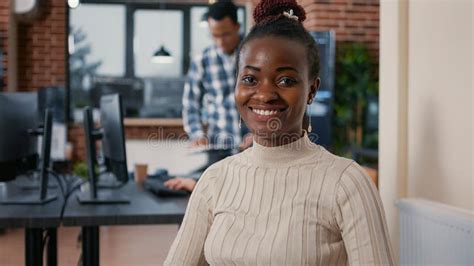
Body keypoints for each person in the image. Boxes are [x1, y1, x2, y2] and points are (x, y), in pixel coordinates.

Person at [164, 0, 395, 265]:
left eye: (285, 80)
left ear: (311, 90)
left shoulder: (347, 182)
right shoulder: (214, 179)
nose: (264, 94)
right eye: (250, 79)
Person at [164, 1, 250, 192]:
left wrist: (260, 134)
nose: (220, 41)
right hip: (218, 148)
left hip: (253, 146)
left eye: (225, 34)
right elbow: (190, 103)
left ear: (237, 27)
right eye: (214, 35)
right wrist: (196, 134)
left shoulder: (254, 54)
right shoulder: (202, 60)